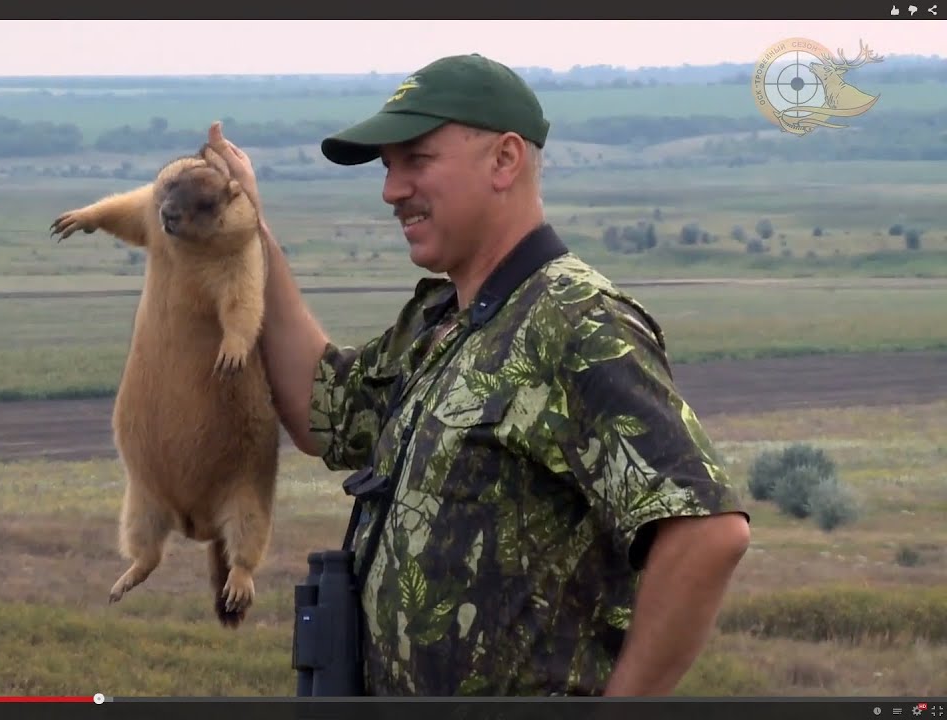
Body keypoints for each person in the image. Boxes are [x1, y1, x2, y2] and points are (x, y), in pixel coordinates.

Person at [207, 53, 751, 697]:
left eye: (417, 160)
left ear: (504, 160)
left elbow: (707, 530)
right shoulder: (442, 326)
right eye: (388, 168)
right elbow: (320, 407)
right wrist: (252, 232)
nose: (392, 189)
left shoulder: (575, 323)